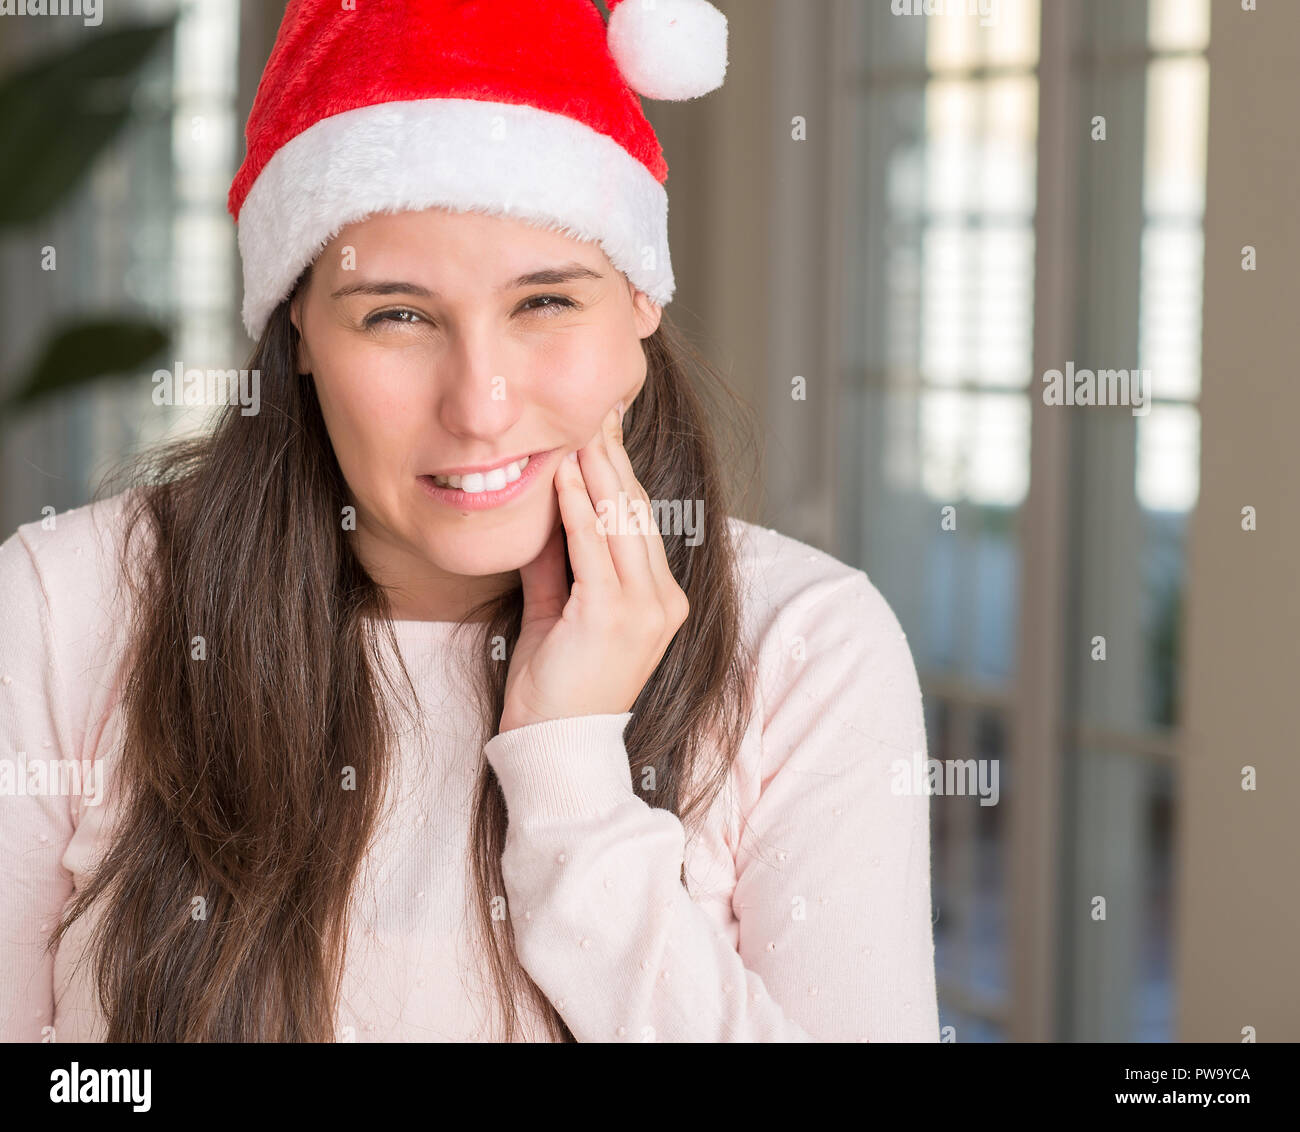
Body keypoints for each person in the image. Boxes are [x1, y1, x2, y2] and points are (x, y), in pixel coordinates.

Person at [0, 0, 938, 1042]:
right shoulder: (63, 604)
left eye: (545, 304)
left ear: (639, 300)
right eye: (397, 315)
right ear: (298, 323)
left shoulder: (808, 645)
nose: (480, 406)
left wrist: (573, 779)